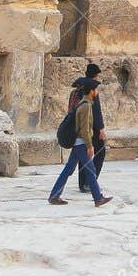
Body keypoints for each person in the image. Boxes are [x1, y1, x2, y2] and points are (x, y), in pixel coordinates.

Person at [49, 79, 111, 207]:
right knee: (90, 170)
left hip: (78, 143)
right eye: (96, 89)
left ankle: (54, 195)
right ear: (91, 91)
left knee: (68, 170)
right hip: (81, 144)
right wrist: (89, 146)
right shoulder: (86, 106)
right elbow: (85, 129)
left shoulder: (83, 104)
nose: (97, 92)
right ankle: (98, 198)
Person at [71, 62, 109, 193]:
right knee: (100, 152)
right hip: (91, 128)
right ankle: (90, 182)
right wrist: (101, 129)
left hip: (79, 127)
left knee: (83, 156)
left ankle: (83, 184)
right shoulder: (91, 88)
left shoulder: (78, 87)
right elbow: (96, 111)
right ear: (96, 75)